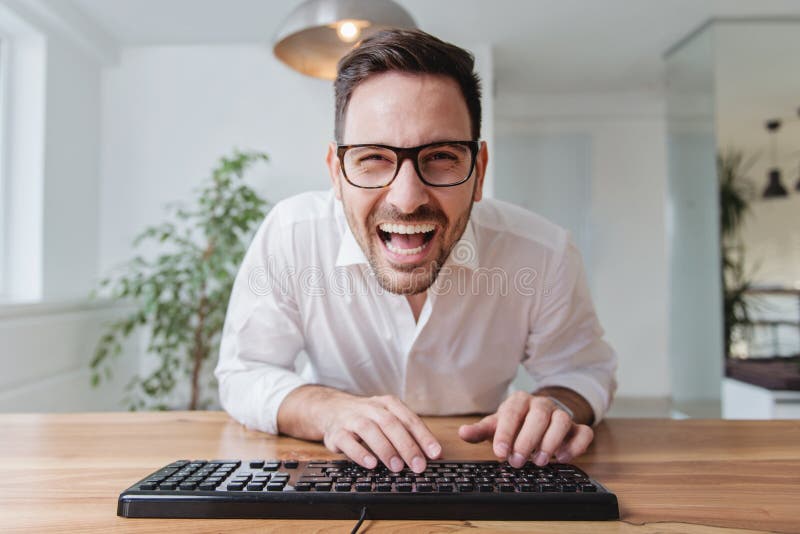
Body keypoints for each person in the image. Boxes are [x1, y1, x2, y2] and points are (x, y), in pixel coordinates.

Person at [215, 29, 616, 475]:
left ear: (478, 171)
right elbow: (245, 372)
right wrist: (328, 409)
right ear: (336, 172)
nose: (406, 199)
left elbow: (584, 372)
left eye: (441, 155)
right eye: (373, 158)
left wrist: (552, 406)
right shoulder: (290, 235)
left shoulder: (543, 253)